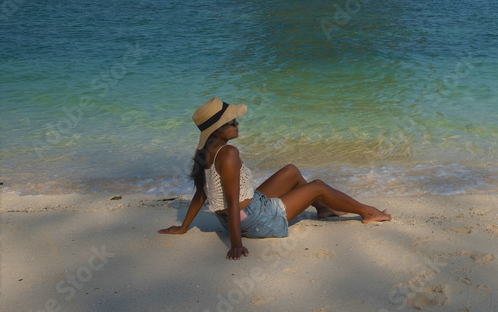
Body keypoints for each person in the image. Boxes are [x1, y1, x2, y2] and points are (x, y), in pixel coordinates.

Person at [158, 97, 391, 259]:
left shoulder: (206, 153)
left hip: (242, 212)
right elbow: (230, 200)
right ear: (218, 130)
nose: (238, 124)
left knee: (291, 170)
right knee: (318, 185)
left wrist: (183, 227)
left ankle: (323, 210)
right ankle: (368, 213)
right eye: (232, 122)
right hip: (255, 219)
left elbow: (201, 193)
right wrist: (237, 244)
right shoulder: (228, 154)